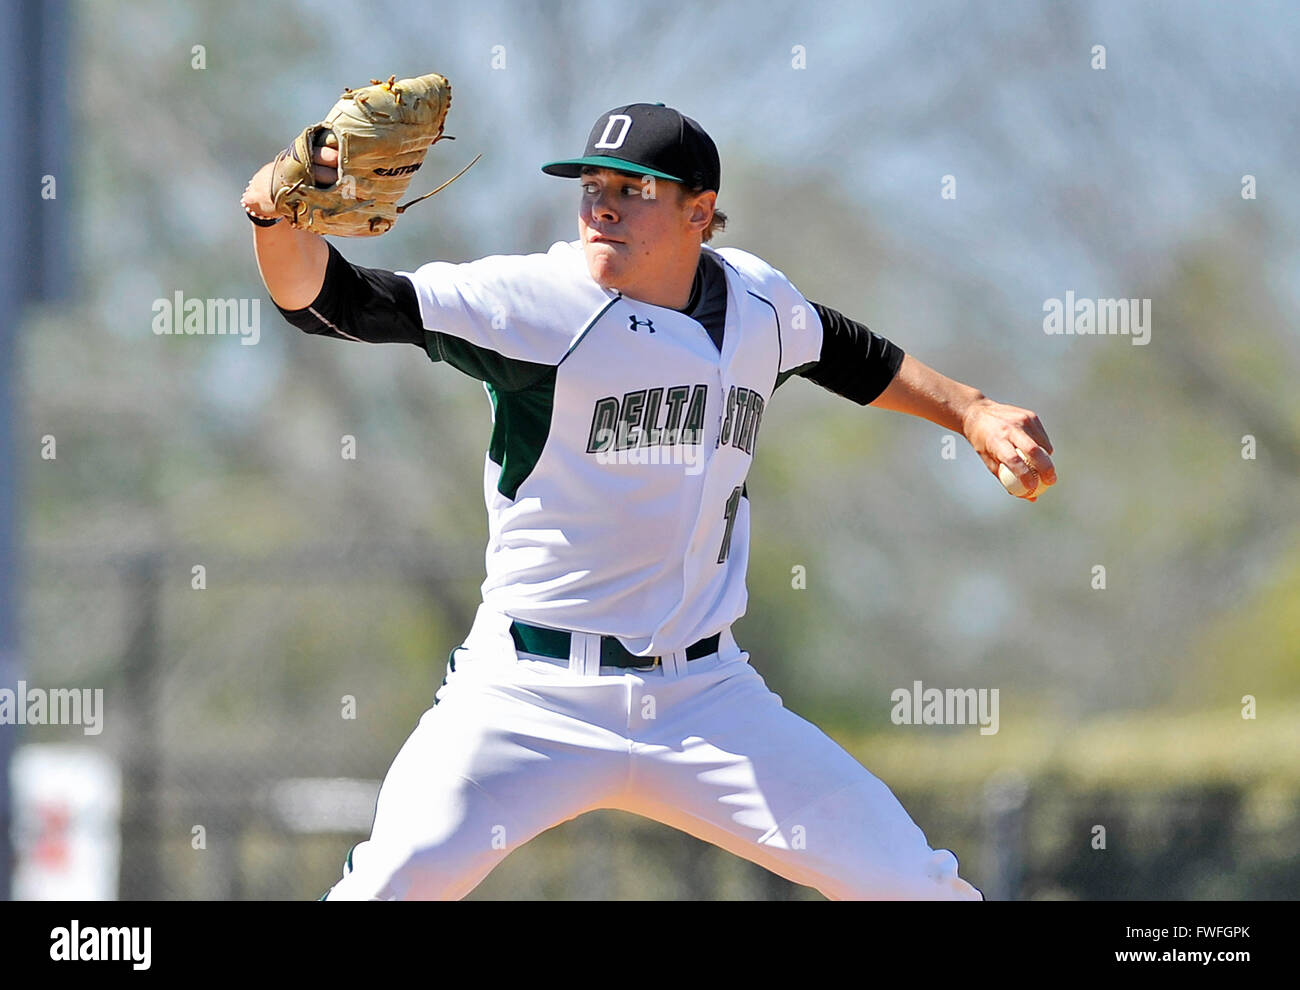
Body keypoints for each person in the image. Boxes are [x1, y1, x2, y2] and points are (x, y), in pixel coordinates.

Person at [241, 102, 1055, 900]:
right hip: (526, 695)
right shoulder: (537, 303)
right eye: (591, 183)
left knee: (912, 885)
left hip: (706, 698)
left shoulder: (760, 304)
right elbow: (331, 304)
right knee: (388, 887)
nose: (602, 204)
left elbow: (849, 352)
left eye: (633, 189)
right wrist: (276, 217)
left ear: (701, 212)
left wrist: (969, 410)